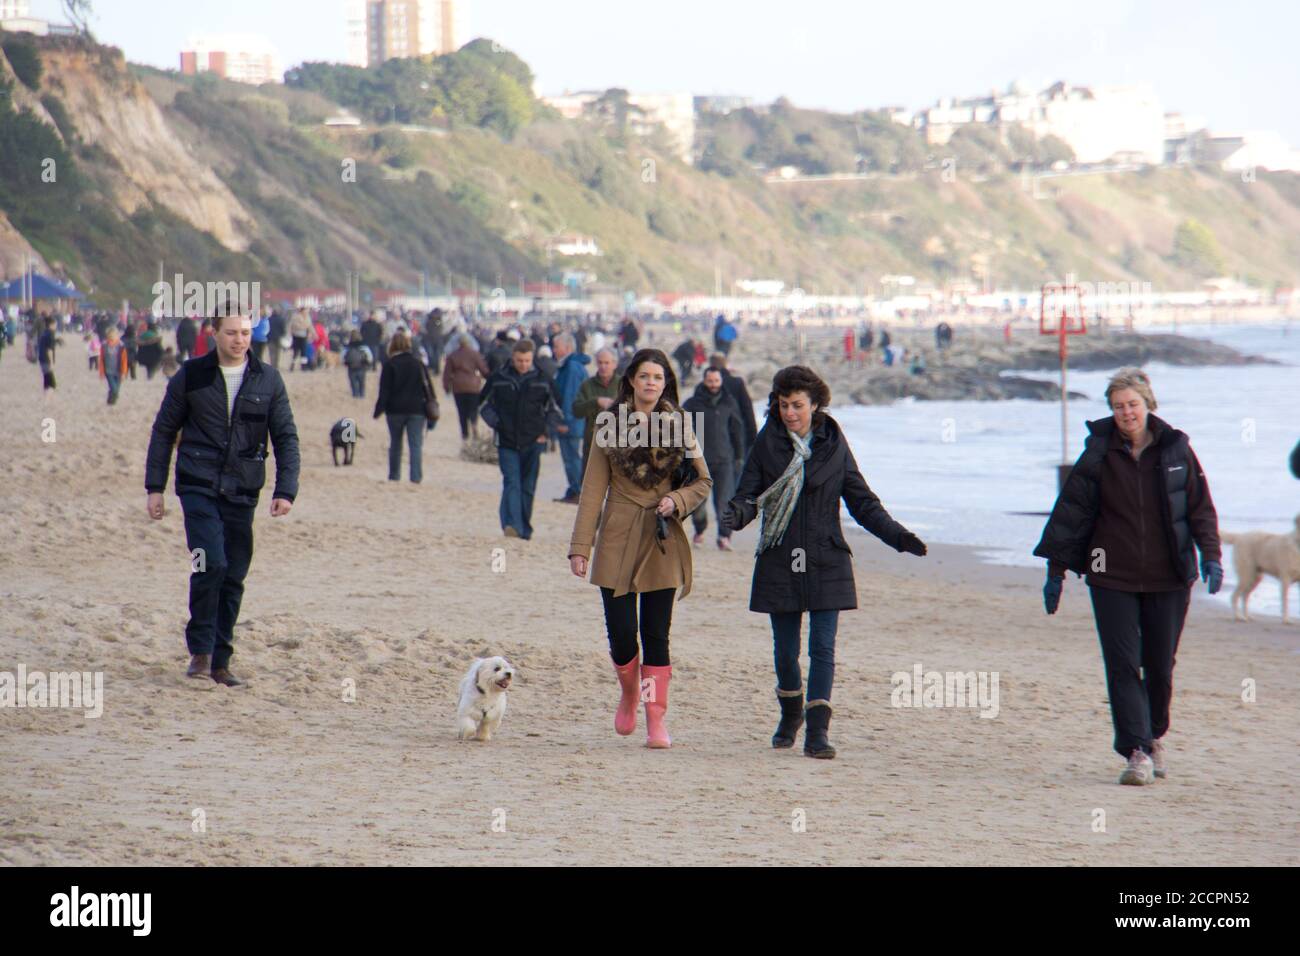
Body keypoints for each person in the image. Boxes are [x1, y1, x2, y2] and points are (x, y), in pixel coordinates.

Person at [722, 365, 927, 758]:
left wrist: (898, 537)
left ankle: (817, 732)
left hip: (826, 555)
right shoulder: (767, 444)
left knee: (823, 648)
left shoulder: (833, 444)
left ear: (815, 405)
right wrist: (737, 515)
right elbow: (748, 495)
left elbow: (861, 500)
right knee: (785, 651)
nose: (789, 413)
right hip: (780, 556)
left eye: (797, 405)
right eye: (783, 405)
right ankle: (791, 713)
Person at [1033, 368, 1222, 786]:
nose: (1126, 413)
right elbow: (1072, 512)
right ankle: (1136, 751)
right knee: (1121, 664)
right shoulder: (1099, 452)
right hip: (1109, 572)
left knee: (1159, 665)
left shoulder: (1176, 450)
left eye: (1132, 404)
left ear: (1148, 404)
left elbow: (1200, 508)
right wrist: (1056, 570)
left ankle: (1153, 736)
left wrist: (1211, 556)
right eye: (1118, 406)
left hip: (1168, 574)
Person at [144, 307, 300, 686]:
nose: (240, 340)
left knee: (233, 574)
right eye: (231, 332)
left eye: (245, 332)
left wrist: (285, 490)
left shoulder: (268, 380)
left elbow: (286, 438)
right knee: (208, 563)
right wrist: (155, 488)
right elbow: (164, 431)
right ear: (214, 333)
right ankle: (200, 651)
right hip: (197, 487)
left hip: (243, 491)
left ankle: (220, 660)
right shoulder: (191, 376)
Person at [568, 348, 712, 748]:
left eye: (658, 377)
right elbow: (593, 488)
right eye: (644, 376)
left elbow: (703, 481)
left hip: (661, 536)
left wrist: (677, 502)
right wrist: (581, 546)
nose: (651, 383)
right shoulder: (608, 425)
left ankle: (655, 719)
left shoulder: (681, 424)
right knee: (622, 634)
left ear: (666, 383)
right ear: (630, 379)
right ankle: (629, 691)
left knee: (656, 634)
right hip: (616, 533)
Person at [479, 338, 565, 540]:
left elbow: (555, 409)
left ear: (532, 358)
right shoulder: (499, 377)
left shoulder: (543, 379)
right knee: (511, 482)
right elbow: (483, 405)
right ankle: (512, 525)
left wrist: (547, 432)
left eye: (526, 361)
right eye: (519, 360)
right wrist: (496, 423)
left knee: (527, 486)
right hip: (506, 440)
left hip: (534, 441)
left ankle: (524, 529)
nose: (523, 365)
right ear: (513, 358)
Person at [683, 366, 745, 550]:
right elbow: (682, 429)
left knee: (725, 501)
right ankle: (700, 531)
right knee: (699, 503)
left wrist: (740, 456)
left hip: (725, 459)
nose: (713, 385)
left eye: (716, 381)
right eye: (709, 381)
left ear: (721, 381)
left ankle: (724, 537)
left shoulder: (729, 402)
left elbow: (737, 430)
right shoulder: (693, 403)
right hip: (699, 461)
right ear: (704, 381)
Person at [373, 330, 431, 483]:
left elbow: (384, 390)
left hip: (395, 410)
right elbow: (428, 388)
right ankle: (416, 477)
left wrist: (378, 410)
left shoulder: (390, 364)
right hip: (417, 409)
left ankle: (394, 475)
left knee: (395, 444)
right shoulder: (418, 363)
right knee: (415, 445)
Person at [551, 332, 591, 503]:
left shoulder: (572, 368)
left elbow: (570, 396)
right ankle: (574, 489)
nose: (553, 350)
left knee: (572, 458)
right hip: (573, 420)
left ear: (567, 348)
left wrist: (565, 421)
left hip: (572, 421)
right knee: (570, 458)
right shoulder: (568, 366)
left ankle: (578, 491)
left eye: (556, 346)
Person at [572, 347, 620, 478]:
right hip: (592, 444)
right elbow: (576, 410)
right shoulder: (587, 385)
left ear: (614, 364)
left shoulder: (623, 385)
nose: (603, 366)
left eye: (607, 363)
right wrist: (596, 402)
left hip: (618, 446)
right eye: (600, 362)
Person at [710, 352, 757, 467]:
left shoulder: (704, 386)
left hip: (715, 440)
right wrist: (753, 434)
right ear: (725, 364)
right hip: (739, 435)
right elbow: (747, 409)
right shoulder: (736, 383)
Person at [442, 333, 491, 442]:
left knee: (462, 412)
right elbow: (484, 370)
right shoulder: (475, 354)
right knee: (473, 409)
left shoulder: (452, 355)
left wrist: (446, 387)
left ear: (459, 343)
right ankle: (473, 424)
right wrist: (490, 379)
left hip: (458, 387)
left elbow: (447, 374)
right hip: (473, 386)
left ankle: (465, 433)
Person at [99, 326, 128, 405]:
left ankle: (111, 401)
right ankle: (111, 402)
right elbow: (101, 359)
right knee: (114, 388)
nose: (111, 337)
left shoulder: (121, 346)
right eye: (110, 335)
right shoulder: (104, 345)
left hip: (119, 371)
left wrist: (124, 373)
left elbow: (124, 360)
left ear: (117, 335)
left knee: (116, 390)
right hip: (108, 371)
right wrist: (101, 372)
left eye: (113, 335)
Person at [343, 330, 370, 398]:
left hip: (351, 367)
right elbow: (369, 356)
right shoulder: (363, 346)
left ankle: (355, 395)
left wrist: (345, 363)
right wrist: (368, 363)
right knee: (361, 382)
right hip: (361, 366)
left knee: (353, 382)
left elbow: (342, 356)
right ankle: (362, 395)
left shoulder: (348, 346)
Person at [37, 316, 58, 392]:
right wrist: (51, 362)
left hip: (41, 358)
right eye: (55, 324)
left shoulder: (44, 332)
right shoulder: (51, 334)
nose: (56, 326)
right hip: (46, 360)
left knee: (47, 381)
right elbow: (49, 350)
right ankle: (46, 402)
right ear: (51, 324)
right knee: (52, 384)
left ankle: (48, 401)